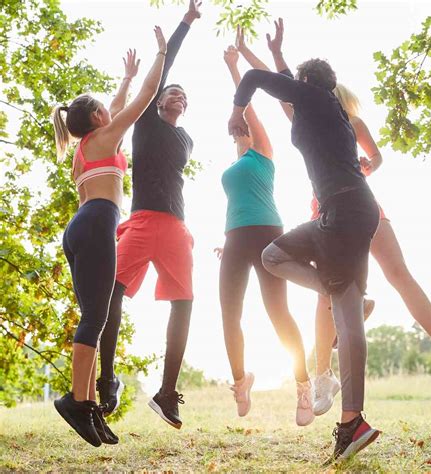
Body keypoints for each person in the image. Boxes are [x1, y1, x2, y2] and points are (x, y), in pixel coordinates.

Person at [228, 20, 381, 461]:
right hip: (346, 210)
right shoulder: (322, 107)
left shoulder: (314, 98)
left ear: (307, 83)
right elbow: (284, 92)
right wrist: (277, 52)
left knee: (348, 320)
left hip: (345, 211)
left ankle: (352, 422)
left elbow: (260, 82)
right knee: (274, 255)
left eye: (296, 79)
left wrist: (238, 109)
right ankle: (341, 296)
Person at [311, 83, 431, 416]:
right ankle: (323, 376)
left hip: (364, 205)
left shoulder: (353, 125)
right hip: (326, 209)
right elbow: (282, 88)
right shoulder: (308, 128)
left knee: (400, 274)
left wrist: (367, 165)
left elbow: (377, 156)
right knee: (325, 293)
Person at [52, 29, 167, 447]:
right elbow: (146, 96)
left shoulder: (85, 149)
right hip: (100, 222)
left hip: (79, 226)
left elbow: (117, 105)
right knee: (95, 319)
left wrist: (124, 78)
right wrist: (160, 53)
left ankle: (85, 404)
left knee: (94, 320)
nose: (110, 109)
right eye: (104, 109)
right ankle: (75, 401)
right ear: (98, 119)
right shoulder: (106, 136)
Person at [96, 0, 202, 431]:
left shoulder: (187, 139)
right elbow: (164, 70)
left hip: (175, 227)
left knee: (185, 303)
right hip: (139, 223)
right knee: (109, 293)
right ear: (158, 101)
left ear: (185, 108)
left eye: (183, 94)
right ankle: (106, 381)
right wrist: (184, 24)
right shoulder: (146, 124)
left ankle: (166, 393)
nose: (176, 94)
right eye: (169, 91)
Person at [218, 41, 313, 426]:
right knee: (229, 313)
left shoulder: (265, 155)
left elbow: (250, 105)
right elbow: (233, 207)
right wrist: (223, 240)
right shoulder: (232, 167)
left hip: (269, 233)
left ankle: (303, 388)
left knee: (278, 312)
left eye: (245, 129)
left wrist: (233, 66)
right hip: (235, 238)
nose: (241, 131)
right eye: (238, 131)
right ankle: (241, 382)